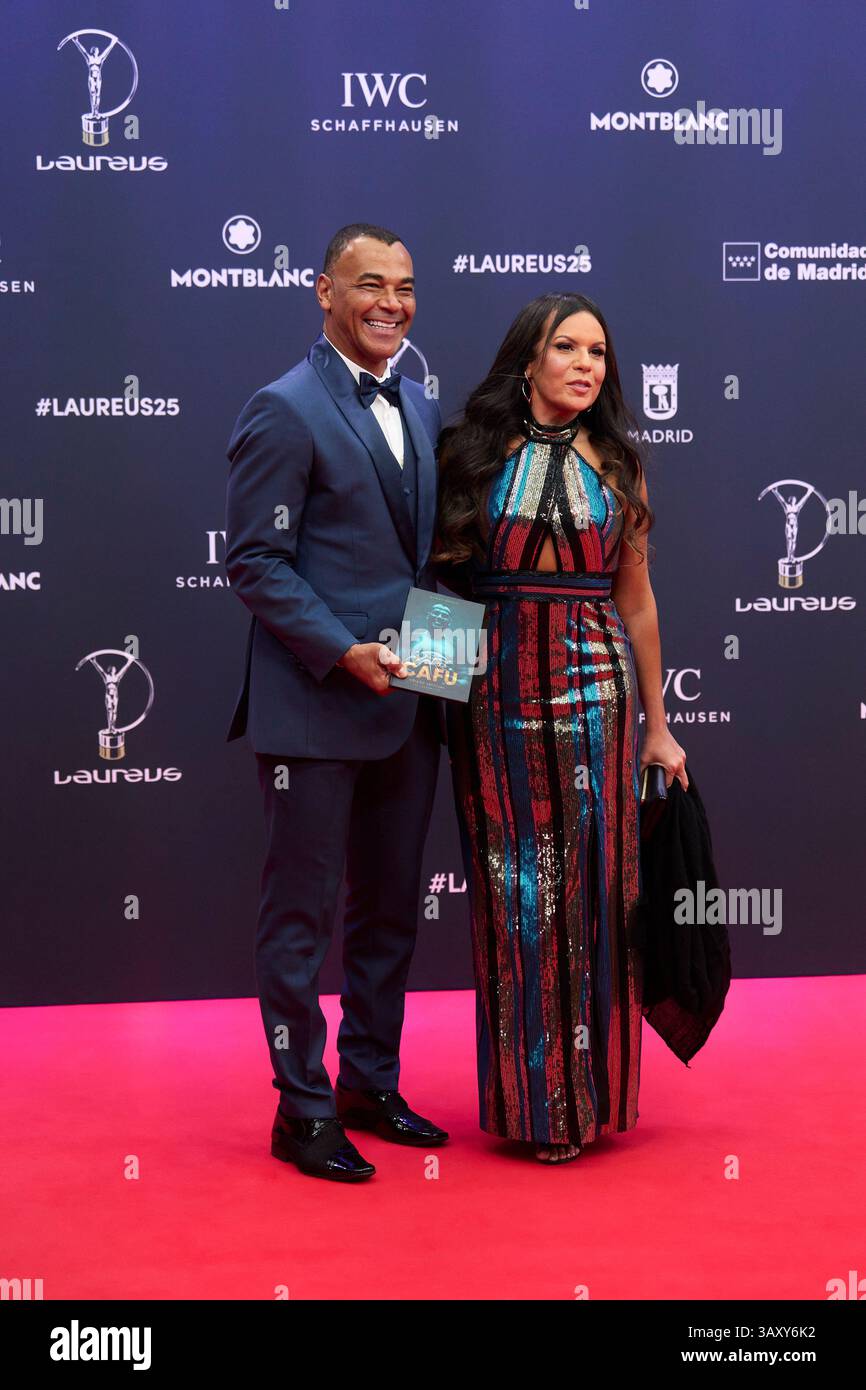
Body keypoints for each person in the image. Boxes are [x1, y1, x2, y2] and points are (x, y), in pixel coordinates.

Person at [435, 293, 687, 1164]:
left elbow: (638, 599)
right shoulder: (468, 453)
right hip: (491, 696)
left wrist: (660, 725)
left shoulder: (621, 463)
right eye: (568, 348)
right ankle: (529, 1107)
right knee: (516, 899)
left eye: (600, 353)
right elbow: (443, 583)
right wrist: (431, 713)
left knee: (594, 894)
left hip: (596, 694)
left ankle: (590, 1103)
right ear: (528, 359)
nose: (587, 365)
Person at [224, 223, 448, 1183]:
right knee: (301, 917)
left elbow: (431, 560)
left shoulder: (426, 407)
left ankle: (369, 1082)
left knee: (391, 912)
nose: (390, 302)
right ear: (323, 292)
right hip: (317, 705)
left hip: (414, 704)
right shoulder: (284, 408)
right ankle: (301, 1106)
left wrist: (445, 675)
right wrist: (341, 651)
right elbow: (255, 562)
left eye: (403, 285)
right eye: (369, 284)